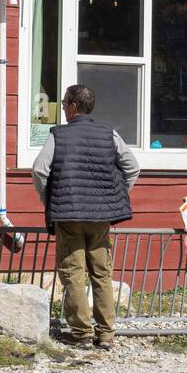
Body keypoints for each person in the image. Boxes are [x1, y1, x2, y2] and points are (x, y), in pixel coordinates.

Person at [32, 84, 140, 350]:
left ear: (72, 106)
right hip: (100, 216)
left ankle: (81, 333)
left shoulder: (59, 135)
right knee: (101, 274)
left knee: (73, 274)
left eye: (65, 102)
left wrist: (49, 199)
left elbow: (39, 170)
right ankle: (106, 335)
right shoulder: (109, 134)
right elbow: (132, 167)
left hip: (68, 215)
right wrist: (117, 194)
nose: (64, 107)